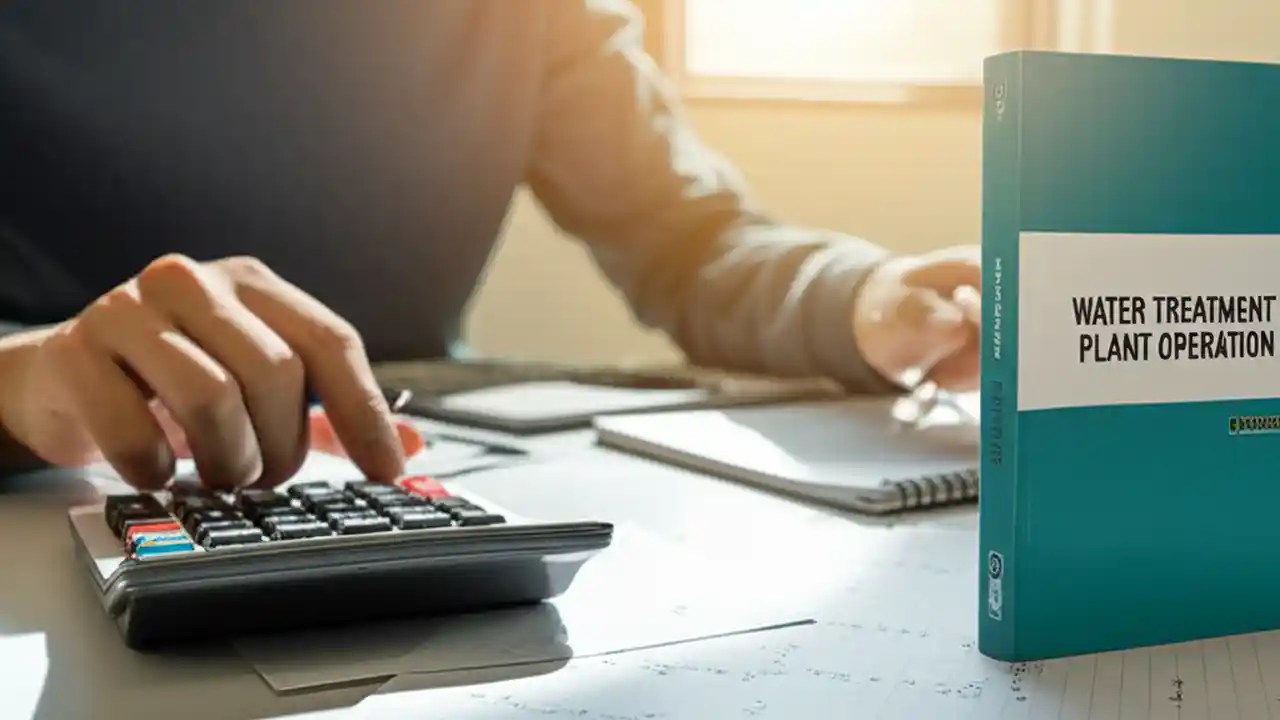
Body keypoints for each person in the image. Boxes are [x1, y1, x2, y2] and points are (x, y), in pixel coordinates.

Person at [0, 1, 980, 491]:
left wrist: (867, 298)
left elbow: (689, 241)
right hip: (59, 493)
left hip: (415, 471)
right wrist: (23, 384)